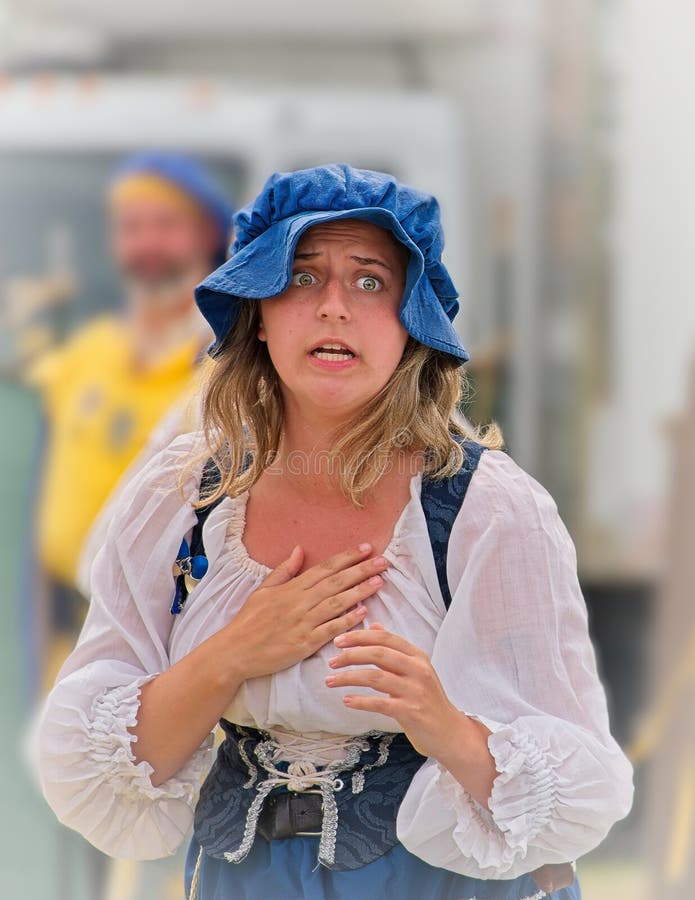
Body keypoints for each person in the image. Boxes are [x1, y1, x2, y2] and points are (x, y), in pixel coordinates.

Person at [33, 164, 634, 900]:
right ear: (257, 311)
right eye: (301, 278)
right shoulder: (182, 495)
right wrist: (233, 654)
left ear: (411, 321)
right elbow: (100, 764)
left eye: (370, 282)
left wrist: (439, 720)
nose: (334, 309)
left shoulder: (487, 510)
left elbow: (575, 789)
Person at [28, 150, 233, 672]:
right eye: (132, 227)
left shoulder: (231, 366)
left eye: (166, 225)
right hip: (65, 646)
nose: (146, 244)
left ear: (209, 233)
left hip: (166, 652)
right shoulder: (88, 350)